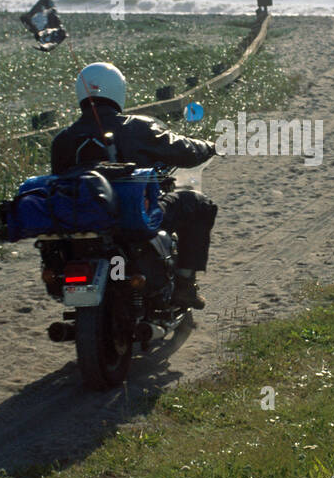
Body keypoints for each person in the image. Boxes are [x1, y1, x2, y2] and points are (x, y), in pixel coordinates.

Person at [51, 62, 218, 309]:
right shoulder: (139, 126)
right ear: (118, 90)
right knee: (199, 204)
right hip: (131, 215)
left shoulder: (62, 139)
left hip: (81, 221)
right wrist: (209, 145)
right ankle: (184, 285)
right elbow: (185, 150)